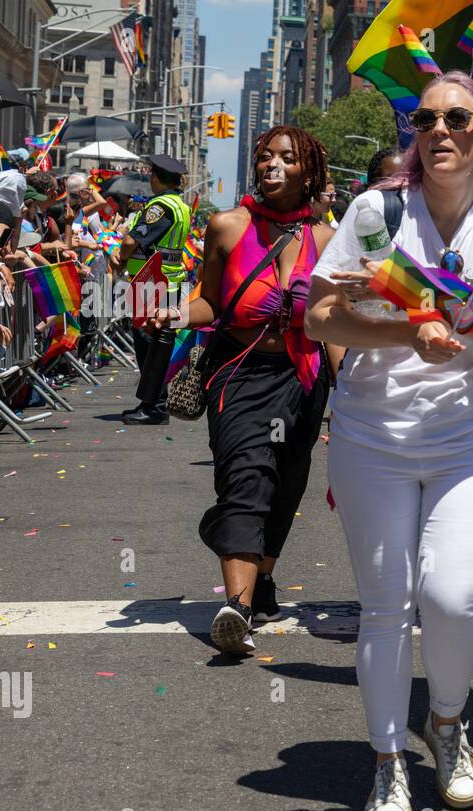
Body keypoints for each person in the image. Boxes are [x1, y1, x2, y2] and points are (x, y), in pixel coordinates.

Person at [305, 71, 473, 811]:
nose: (439, 130)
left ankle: (445, 726)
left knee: (451, 596)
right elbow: (321, 318)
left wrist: (429, 310)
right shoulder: (376, 211)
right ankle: (385, 761)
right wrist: (411, 328)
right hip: (373, 437)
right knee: (385, 606)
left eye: (458, 119)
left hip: (466, 443)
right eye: (425, 118)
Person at [141, 127, 335, 655]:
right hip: (238, 373)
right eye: (265, 156)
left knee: (286, 484)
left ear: (308, 171)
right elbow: (211, 300)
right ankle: (238, 609)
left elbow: (331, 324)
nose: (272, 164)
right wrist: (175, 312)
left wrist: (353, 393)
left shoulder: (325, 240)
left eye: (287, 157)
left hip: (302, 376)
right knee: (246, 476)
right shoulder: (227, 226)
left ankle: (260, 573)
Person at [113, 154, 193, 425]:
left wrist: (122, 256)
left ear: (157, 178)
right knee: (159, 344)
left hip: (152, 283)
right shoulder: (180, 205)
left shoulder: (160, 206)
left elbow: (130, 241)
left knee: (148, 344)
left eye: (152, 176)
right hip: (167, 280)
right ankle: (154, 403)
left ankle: (154, 406)